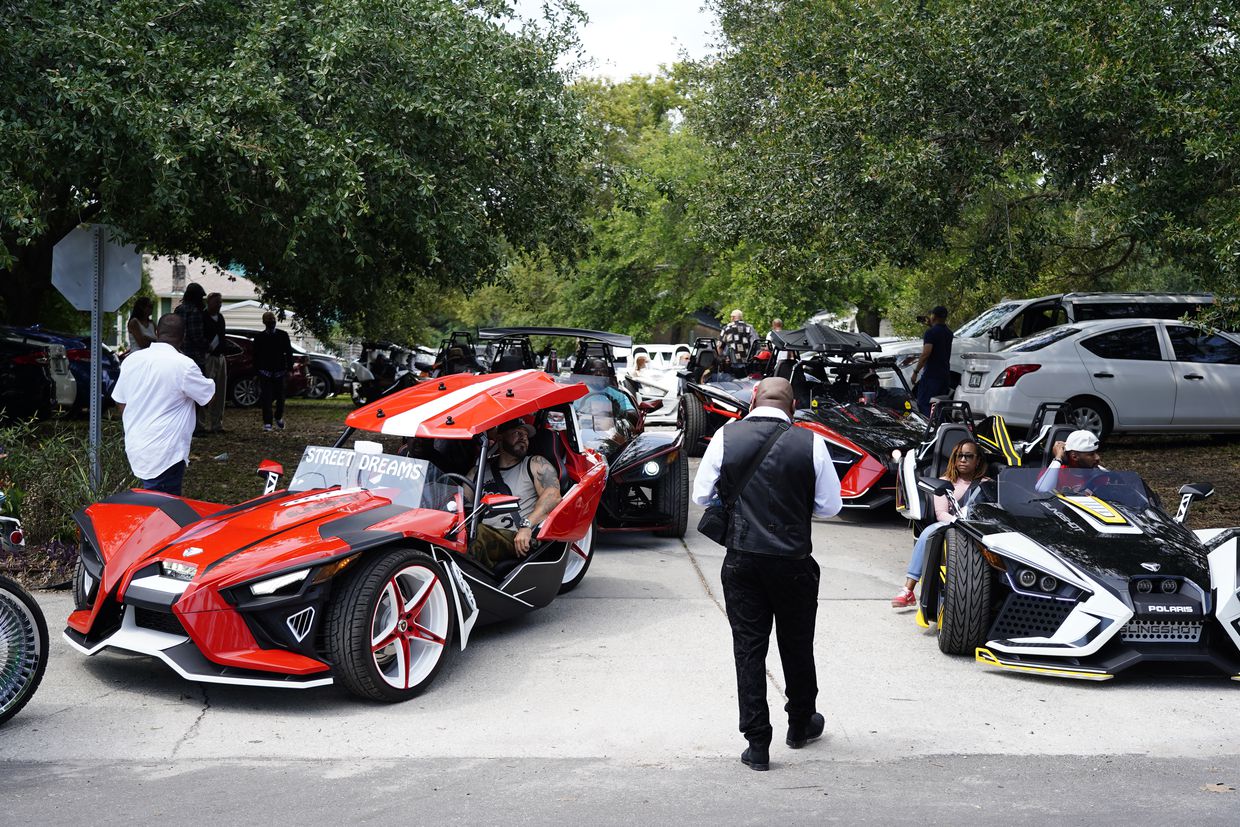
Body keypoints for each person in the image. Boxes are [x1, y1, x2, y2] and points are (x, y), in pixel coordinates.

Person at [692, 377, 843, 772]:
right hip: (793, 561)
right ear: (793, 406)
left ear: (752, 399)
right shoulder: (811, 442)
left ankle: (757, 743)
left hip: (742, 560)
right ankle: (800, 724)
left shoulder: (726, 436)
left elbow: (701, 497)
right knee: (797, 645)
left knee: (749, 650)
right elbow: (829, 507)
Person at [111, 314, 215, 496]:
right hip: (166, 452)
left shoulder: (132, 360)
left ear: (157, 333)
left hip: (136, 446)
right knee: (163, 512)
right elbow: (208, 397)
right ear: (183, 337)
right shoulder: (184, 366)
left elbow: (120, 400)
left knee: (146, 503)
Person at [891, 440, 990, 609]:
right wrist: (959, 522)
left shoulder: (987, 484)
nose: (963, 460)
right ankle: (908, 590)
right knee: (927, 533)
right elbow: (941, 514)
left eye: (968, 456)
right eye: (959, 456)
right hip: (951, 525)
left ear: (978, 460)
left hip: (980, 528)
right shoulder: (944, 482)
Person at [467, 419, 562, 568]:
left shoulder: (535, 463)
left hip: (517, 535)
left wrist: (527, 526)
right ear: (500, 437)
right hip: (481, 532)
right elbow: (461, 501)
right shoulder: (478, 472)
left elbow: (553, 496)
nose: (524, 438)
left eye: (525, 435)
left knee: (477, 535)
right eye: (517, 433)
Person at [253, 311, 294, 431]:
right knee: (266, 398)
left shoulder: (283, 335)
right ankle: (267, 422)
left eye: (273, 319)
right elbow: (255, 355)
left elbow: (289, 352)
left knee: (281, 398)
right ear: (264, 322)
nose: (272, 322)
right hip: (265, 372)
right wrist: (256, 372)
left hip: (280, 371)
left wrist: (289, 368)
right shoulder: (260, 337)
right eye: (269, 320)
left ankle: (278, 416)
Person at [911, 305, 953, 415]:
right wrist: (932, 325)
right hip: (944, 375)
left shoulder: (930, 333)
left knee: (924, 404)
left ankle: (927, 430)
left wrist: (915, 372)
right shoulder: (949, 333)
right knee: (939, 405)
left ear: (933, 316)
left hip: (931, 376)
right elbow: (940, 336)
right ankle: (939, 428)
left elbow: (926, 354)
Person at [1035, 430, 1107, 493]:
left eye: (1096, 453)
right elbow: (1042, 489)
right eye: (1091, 454)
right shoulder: (1056, 473)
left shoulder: (1099, 475)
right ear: (1074, 456)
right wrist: (1058, 458)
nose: (1097, 457)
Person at [199, 292, 228, 434]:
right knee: (206, 391)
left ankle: (217, 424)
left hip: (220, 357)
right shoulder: (202, 317)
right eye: (217, 302)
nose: (219, 305)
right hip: (208, 357)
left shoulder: (221, 318)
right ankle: (202, 424)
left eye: (221, 302)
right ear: (209, 303)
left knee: (220, 391)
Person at [174, 282, 209, 369]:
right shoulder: (195, 311)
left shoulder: (178, 310)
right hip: (194, 357)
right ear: (196, 297)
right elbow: (197, 337)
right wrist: (208, 345)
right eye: (201, 297)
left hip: (180, 354)